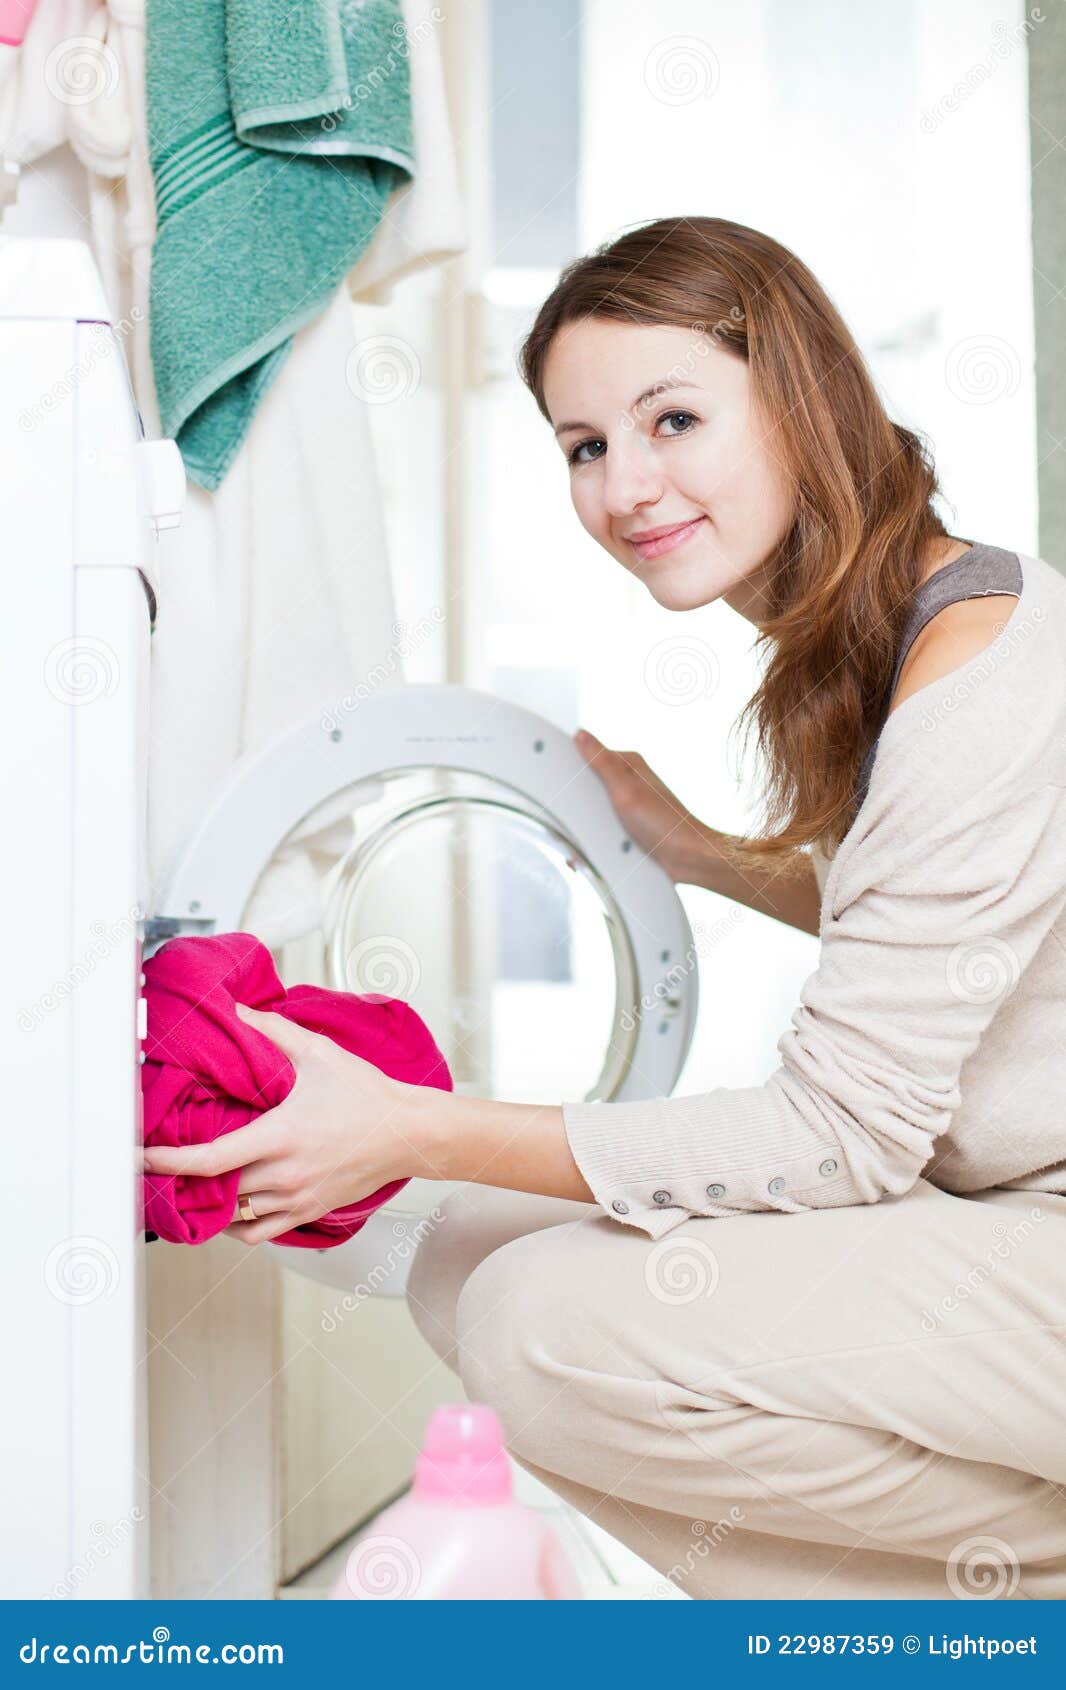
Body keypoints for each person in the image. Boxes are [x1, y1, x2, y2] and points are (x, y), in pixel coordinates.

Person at [143, 217, 1066, 1600]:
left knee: (539, 1321)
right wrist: (702, 852)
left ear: (802, 398)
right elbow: (947, 934)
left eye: (672, 418)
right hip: (1008, 1229)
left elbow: (834, 1136)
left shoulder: (976, 674)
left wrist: (410, 1123)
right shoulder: (917, 625)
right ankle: (944, 1611)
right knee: (463, 1254)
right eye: (583, 445)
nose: (626, 485)